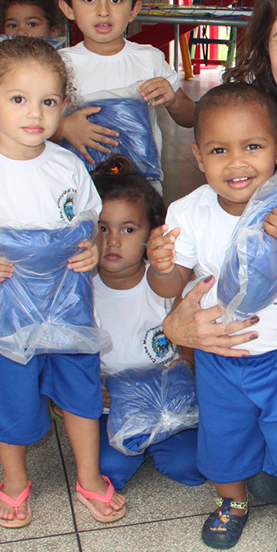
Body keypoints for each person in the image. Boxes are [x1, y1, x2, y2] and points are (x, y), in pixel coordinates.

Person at [0, 37, 126, 528]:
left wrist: (92, 249)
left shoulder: (67, 165)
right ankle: (15, 482)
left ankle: (89, 478)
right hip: (9, 320)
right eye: (17, 99)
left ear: (64, 105)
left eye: (48, 101)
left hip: (68, 313)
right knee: (14, 404)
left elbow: (87, 224)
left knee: (81, 397)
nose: (34, 114)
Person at [148, 83, 277, 552]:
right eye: (219, 151)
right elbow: (171, 287)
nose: (237, 163)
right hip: (219, 356)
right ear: (198, 156)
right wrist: (160, 262)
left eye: (252, 147)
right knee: (222, 434)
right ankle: (232, 500)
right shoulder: (188, 213)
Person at [90, 156, 203, 491]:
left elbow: (189, 338)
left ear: (151, 235)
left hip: (170, 395)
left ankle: (163, 442)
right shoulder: (82, 287)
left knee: (193, 467)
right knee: (110, 470)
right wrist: (92, 388)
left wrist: (188, 362)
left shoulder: (166, 282)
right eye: (101, 228)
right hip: (114, 404)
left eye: (128, 229)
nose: (112, 241)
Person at [55, 0, 195, 171]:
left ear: (133, 10)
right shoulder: (58, 64)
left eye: (116, 0)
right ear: (68, 7)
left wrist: (172, 99)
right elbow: (32, 127)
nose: (103, 11)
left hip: (138, 189)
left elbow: (189, 117)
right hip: (79, 186)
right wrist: (63, 128)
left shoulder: (148, 58)